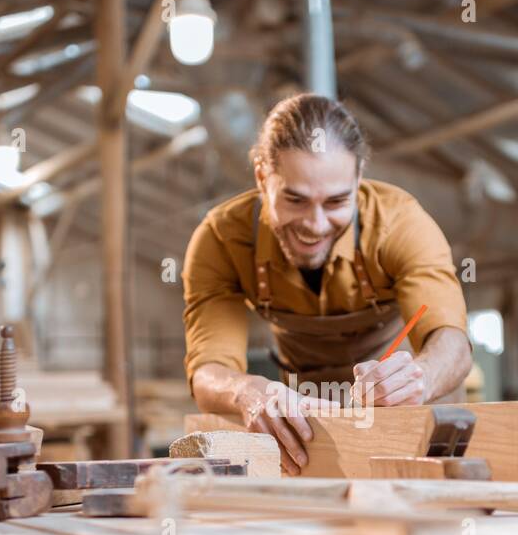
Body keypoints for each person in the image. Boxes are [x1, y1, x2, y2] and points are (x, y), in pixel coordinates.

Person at [181, 93, 471, 474]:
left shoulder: (400, 222)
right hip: (307, 426)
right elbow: (208, 372)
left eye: (336, 202)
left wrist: (420, 378)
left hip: (408, 422)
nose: (315, 225)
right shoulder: (221, 239)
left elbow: (453, 343)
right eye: (295, 200)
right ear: (262, 177)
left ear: (359, 178)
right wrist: (248, 390)